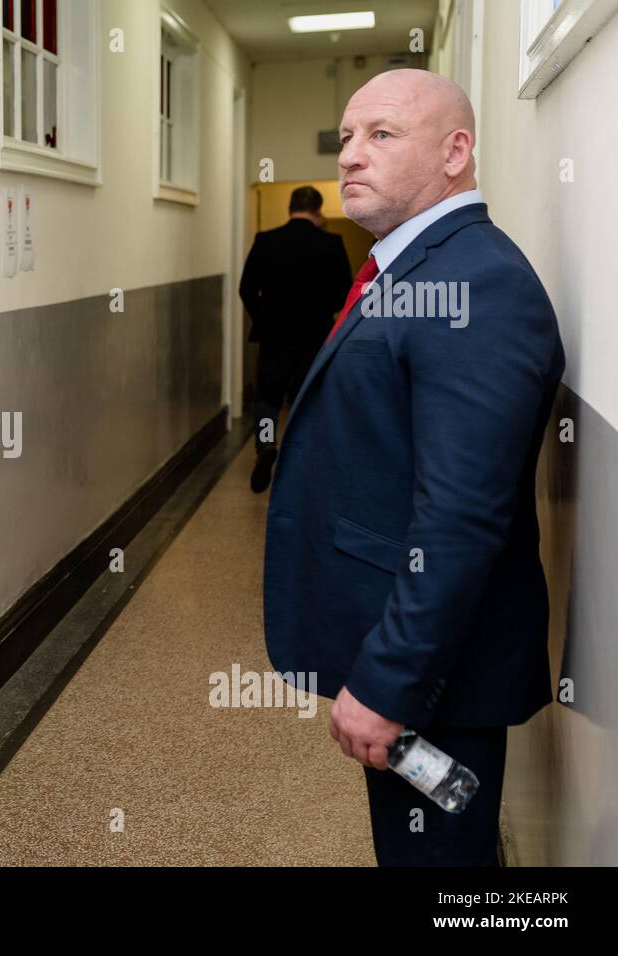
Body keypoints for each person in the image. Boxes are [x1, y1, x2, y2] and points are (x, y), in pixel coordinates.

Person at [263, 69, 564, 866]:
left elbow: (462, 517)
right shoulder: (414, 263)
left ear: (455, 152)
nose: (351, 156)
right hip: (414, 656)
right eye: (349, 137)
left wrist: (390, 683)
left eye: (383, 135)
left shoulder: (475, 282)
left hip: (436, 678)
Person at [239, 185, 352, 493]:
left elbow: (246, 289)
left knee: (268, 399)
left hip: (274, 335)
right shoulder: (331, 243)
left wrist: (265, 318)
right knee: (307, 399)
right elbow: (345, 290)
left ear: (290, 209)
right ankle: (300, 462)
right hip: (314, 335)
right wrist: (321, 312)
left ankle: (265, 446)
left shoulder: (266, 241)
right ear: (317, 211)